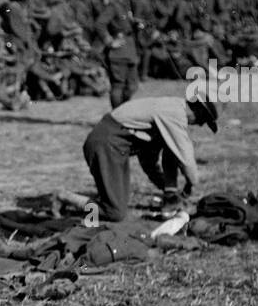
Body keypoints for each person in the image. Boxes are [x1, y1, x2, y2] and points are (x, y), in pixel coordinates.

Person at [82, 94, 218, 222]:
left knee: (170, 147)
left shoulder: (167, 111)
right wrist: (191, 183)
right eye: (201, 120)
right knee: (115, 212)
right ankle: (65, 197)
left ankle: (169, 197)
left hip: (112, 145)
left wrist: (168, 190)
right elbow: (185, 154)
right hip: (105, 144)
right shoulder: (174, 113)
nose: (199, 125)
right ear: (197, 111)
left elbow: (149, 161)